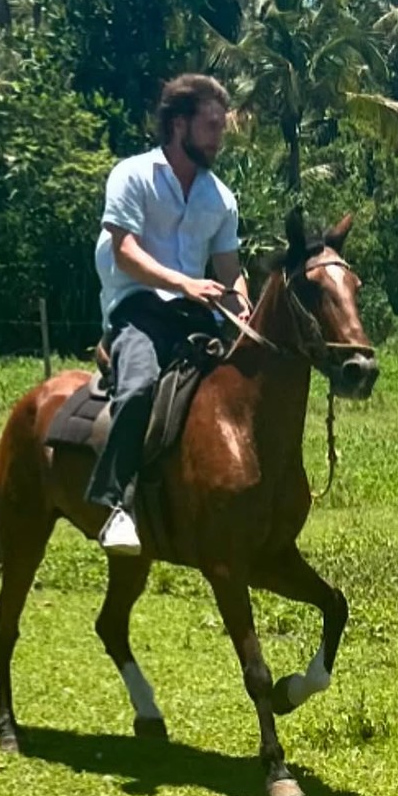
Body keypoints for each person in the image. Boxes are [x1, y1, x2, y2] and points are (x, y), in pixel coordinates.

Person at [86, 73, 251, 554]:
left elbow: (230, 272)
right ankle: (117, 506)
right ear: (180, 125)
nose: (219, 137)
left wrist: (247, 317)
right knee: (138, 387)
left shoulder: (220, 198)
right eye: (212, 126)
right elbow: (124, 251)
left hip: (196, 316)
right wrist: (182, 283)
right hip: (138, 309)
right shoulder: (133, 175)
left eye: (221, 127)